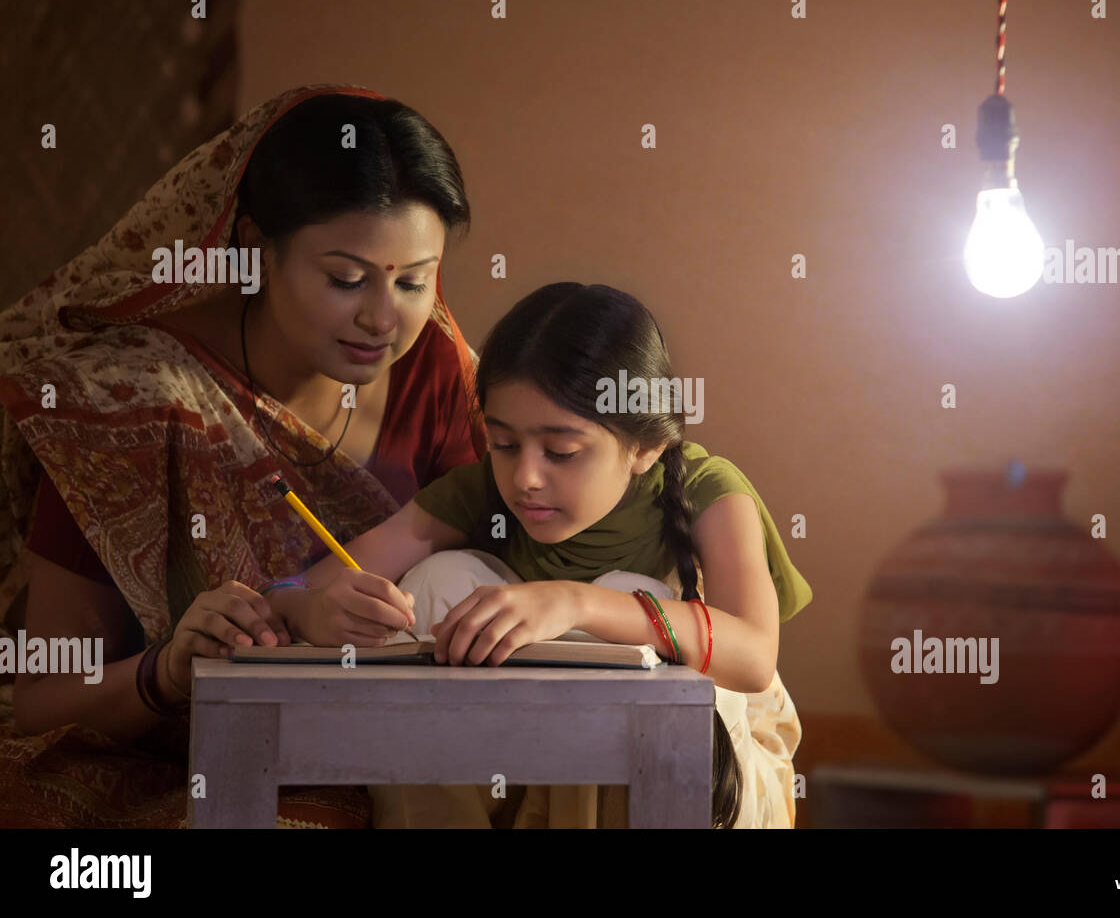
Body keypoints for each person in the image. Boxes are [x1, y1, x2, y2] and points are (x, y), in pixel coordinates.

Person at [0, 83, 485, 827]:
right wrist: (169, 671)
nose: (385, 319)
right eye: (346, 279)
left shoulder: (439, 374)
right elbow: (41, 702)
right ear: (256, 250)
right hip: (162, 755)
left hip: (389, 751)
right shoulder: (123, 400)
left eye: (415, 282)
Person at [268, 281, 811, 828]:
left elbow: (754, 656)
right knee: (440, 580)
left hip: (705, 780)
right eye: (503, 444)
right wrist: (308, 608)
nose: (525, 478)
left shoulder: (710, 491)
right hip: (531, 778)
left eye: (561, 452)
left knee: (620, 595)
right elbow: (295, 590)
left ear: (647, 446)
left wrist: (575, 605)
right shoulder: (479, 491)